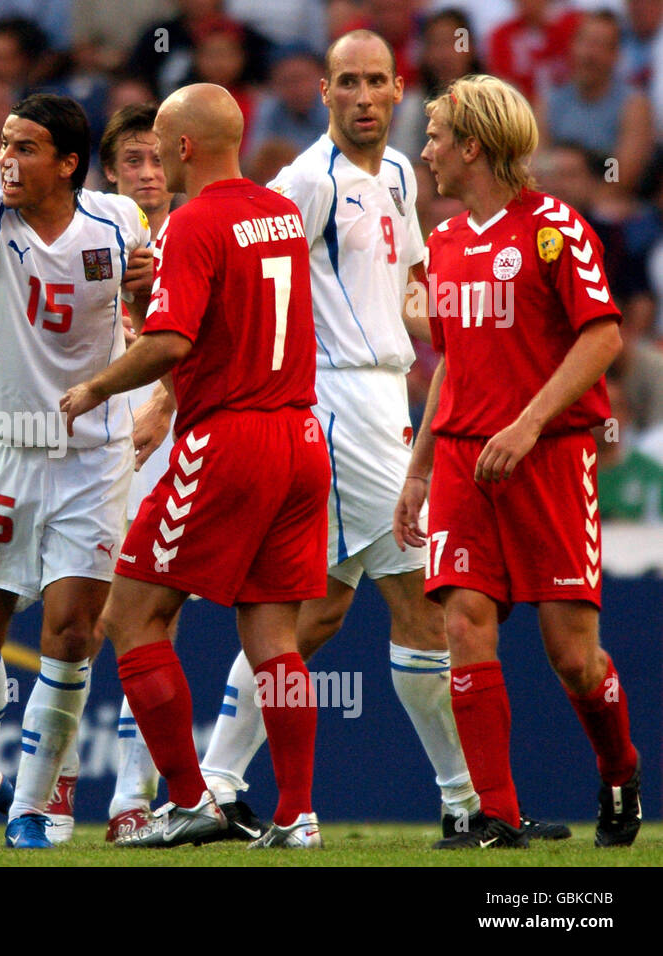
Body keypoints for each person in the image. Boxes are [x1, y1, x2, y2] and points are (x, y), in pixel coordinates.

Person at [187, 29, 568, 847]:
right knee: (423, 602)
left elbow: (407, 288)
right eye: (346, 82)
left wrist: (462, 322)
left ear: (398, 90)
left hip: (387, 393)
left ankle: (214, 785)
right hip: (334, 404)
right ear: (323, 93)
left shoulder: (397, 173)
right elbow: (248, 267)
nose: (362, 96)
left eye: (375, 82)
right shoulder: (304, 184)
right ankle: (468, 802)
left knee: (313, 615)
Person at [60, 82, 331, 849]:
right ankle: (298, 816)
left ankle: (186, 802)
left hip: (231, 439)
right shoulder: (278, 214)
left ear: (183, 147)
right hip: (302, 439)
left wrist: (96, 386)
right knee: (273, 633)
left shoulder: (191, 223)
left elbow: (173, 345)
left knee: (132, 614)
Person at [404, 73, 641, 849]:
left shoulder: (555, 229)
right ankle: (496, 819)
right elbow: (453, 362)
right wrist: (419, 464)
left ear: (473, 145)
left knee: (573, 658)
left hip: (550, 459)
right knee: (465, 625)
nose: (428, 149)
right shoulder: (443, 241)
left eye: (438, 136)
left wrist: (528, 425)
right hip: (466, 465)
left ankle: (620, 771)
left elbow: (601, 336)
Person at [0, 92, 149, 849]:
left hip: (92, 453)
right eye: (5, 145)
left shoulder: (119, 222)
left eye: (27, 147)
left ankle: (33, 807)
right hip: (4, 448)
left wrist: (144, 287)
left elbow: (146, 313)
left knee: (72, 632)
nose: (8, 160)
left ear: (69, 164)